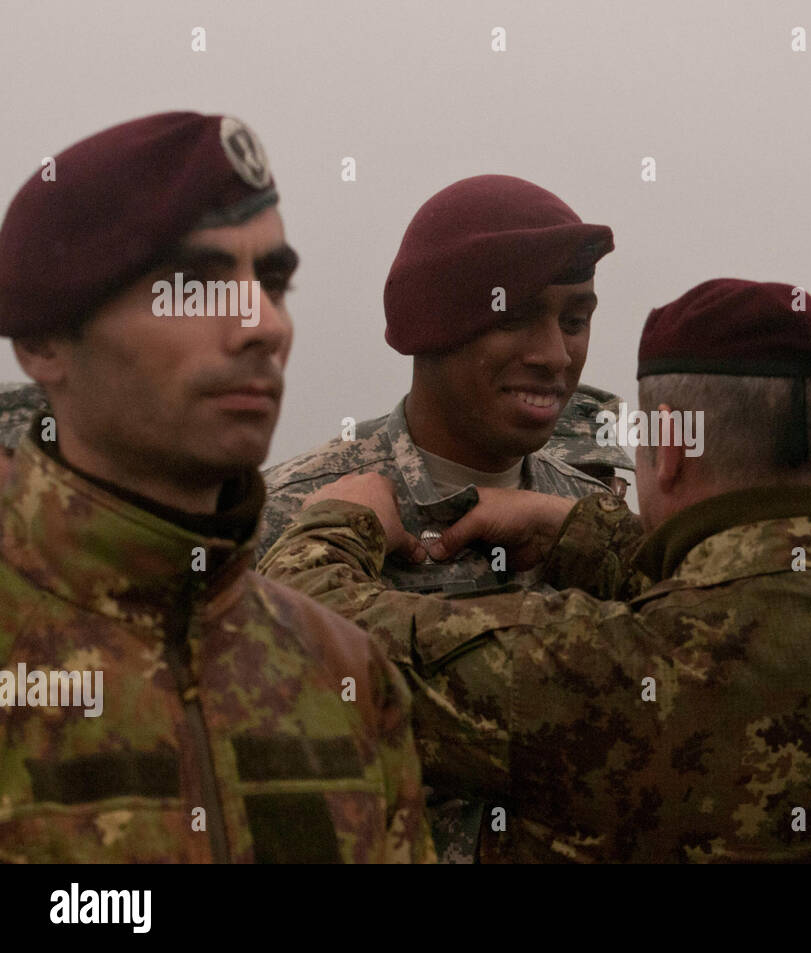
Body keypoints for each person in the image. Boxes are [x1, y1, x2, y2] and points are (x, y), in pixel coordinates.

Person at [259, 278, 811, 862]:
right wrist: (586, 527)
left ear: (668, 452)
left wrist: (338, 521)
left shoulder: (600, 668)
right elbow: (754, 598)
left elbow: (312, 647)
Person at [0, 112, 431, 862]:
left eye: (273, 281)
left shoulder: (346, 674)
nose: (263, 324)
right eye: (194, 285)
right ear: (43, 341)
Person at [256, 174, 620, 861]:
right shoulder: (292, 516)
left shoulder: (595, 519)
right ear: (431, 324)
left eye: (575, 320)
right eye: (515, 317)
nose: (555, 355)